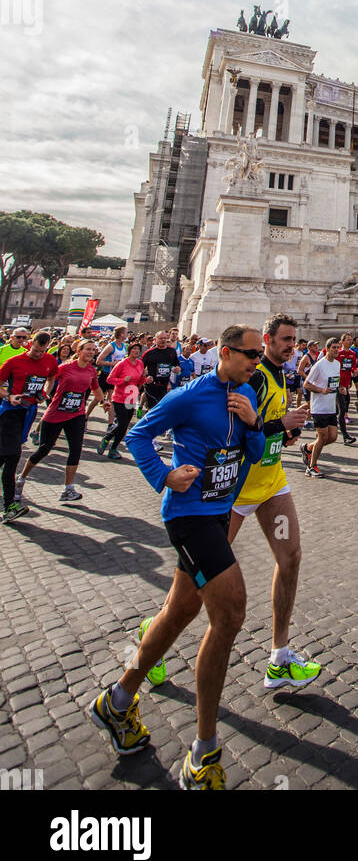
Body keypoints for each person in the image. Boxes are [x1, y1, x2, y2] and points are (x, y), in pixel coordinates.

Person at [91, 324, 266, 789]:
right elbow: (140, 435)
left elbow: (251, 455)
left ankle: (118, 700)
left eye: (260, 354)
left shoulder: (243, 397)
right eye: (250, 353)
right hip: (189, 515)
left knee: (179, 610)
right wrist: (164, 476)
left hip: (218, 512)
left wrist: (253, 425)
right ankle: (204, 753)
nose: (257, 361)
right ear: (225, 353)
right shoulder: (191, 395)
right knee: (229, 615)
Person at [229, 314, 321, 686]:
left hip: (271, 482)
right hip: (234, 488)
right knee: (194, 578)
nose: (291, 346)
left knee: (291, 558)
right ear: (266, 339)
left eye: (294, 341)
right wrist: (279, 426)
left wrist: (286, 433)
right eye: (285, 340)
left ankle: (280, 657)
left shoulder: (282, 374)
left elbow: (269, 426)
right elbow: (235, 431)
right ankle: (153, 635)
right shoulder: (251, 379)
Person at [17, 339, 100, 504]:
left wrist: (103, 401)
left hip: (76, 414)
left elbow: (95, 389)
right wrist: (45, 392)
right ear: (79, 350)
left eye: (93, 350)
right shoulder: (65, 367)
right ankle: (21, 479)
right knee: (44, 449)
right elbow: (48, 377)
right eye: (88, 349)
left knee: (76, 450)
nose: (91, 352)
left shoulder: (91, 370)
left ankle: (68, 488)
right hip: (56, 414)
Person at [0, 331, 58, 522]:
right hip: (9, 413)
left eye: (41, 351)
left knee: (4, 458)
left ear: (47, 347)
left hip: (28, 414)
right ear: (30, 344)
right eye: (35, 350)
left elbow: (51, 378)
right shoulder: (14, 362)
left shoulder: (50, 361)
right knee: (12, 458)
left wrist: (45, 393)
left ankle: (9, 504)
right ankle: (10, 506)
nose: (37, 354)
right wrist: (8, 396)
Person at [300, 337, 341, 478]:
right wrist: (321, 390)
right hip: (319, 407)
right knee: (322, 437)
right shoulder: (319, 365)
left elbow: (334, 382)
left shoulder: (337, 364)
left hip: (331, 406)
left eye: (338, 347)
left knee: (333, 437)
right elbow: (307, 384)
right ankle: (311, 467)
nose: (336, 350)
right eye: (334, 347)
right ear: (327, 349)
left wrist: (340, 388)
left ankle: (308, 448)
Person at [141, 332, 181, 411]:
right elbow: (140, 368)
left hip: (164, 385)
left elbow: (176, 364)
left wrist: (177, 369)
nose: (163, 340)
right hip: (152, 384)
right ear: (155, 340)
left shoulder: (172, 351)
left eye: (165, 338)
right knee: (152, 408)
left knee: (162, 408)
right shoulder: (149, 353)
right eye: (160, 338)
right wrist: (145, 377)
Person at [335, 334, 358, 444]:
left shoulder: (353, 354)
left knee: (340, 407)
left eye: (351, 340)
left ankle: (328, 426)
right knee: (342, 408)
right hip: (338, 385)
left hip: (346, 384)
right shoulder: (338, 353)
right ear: (342, 342)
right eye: (348, 340)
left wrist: (354, 370)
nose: (350, 342)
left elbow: (353, 366)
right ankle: (345, 436)